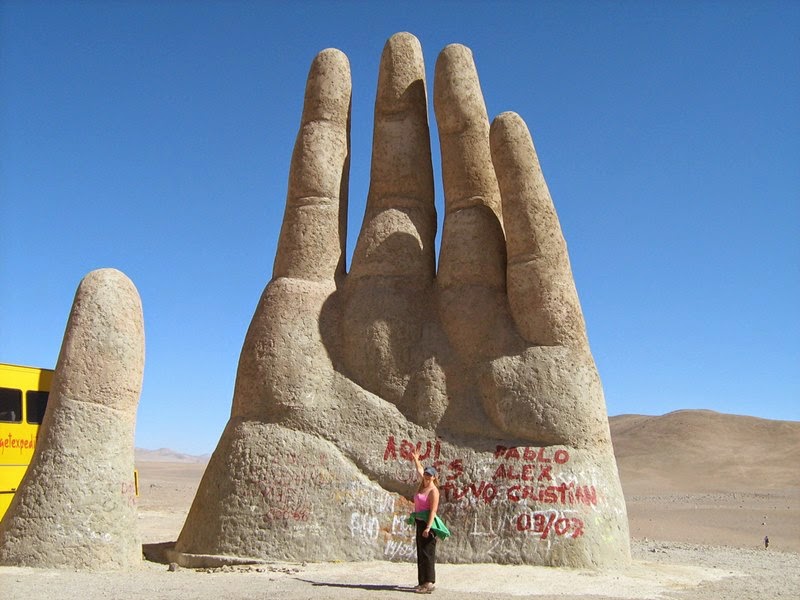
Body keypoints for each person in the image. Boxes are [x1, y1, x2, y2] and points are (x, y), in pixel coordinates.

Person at [408, 449, 449, 594]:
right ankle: (422, 582)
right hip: (419, 521)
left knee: (428, 553)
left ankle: (429, 583)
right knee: (421, 552)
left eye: (429, 475)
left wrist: (428, 527)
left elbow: (433, 511)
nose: (426, 476)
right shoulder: (423, 485)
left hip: (427, 524)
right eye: (426, 474)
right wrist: (416, 459)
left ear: (434, 477)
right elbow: (419, 470)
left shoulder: (433, 491)